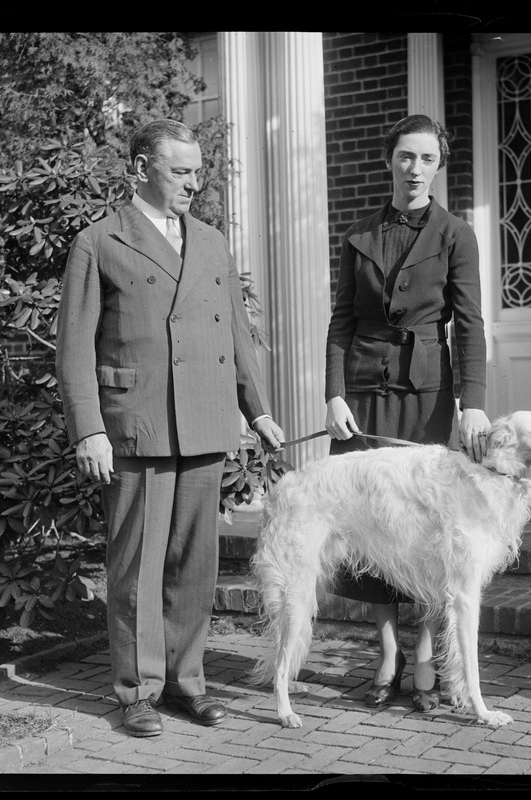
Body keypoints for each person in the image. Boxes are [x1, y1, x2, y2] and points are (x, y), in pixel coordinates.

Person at [55, 119, 284, 737]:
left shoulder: (210, 241)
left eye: (197, 171)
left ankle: (188, 683)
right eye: (180, 171)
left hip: (205, 422)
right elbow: (74, 347)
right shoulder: (100, 241)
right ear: (140, 169)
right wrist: (89, 430)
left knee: (194, 565)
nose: (193, 182)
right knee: (135, 566)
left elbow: (236, 333)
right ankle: (137, 689)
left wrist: (257, 410)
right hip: (138, 424)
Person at [323, 114, 490, 714]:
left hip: (427, 398)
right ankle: (387, 650)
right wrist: (333, 392)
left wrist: (473, 405)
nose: (414, 169)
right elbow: (342, 318)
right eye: (404, 157)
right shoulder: (359, 232)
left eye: (425, 159)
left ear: (438, 166)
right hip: (364, 391)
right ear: (389, 161)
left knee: (426, 528)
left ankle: (424, 657)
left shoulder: (456, 235)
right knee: (370, 520)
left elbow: (469, 325)